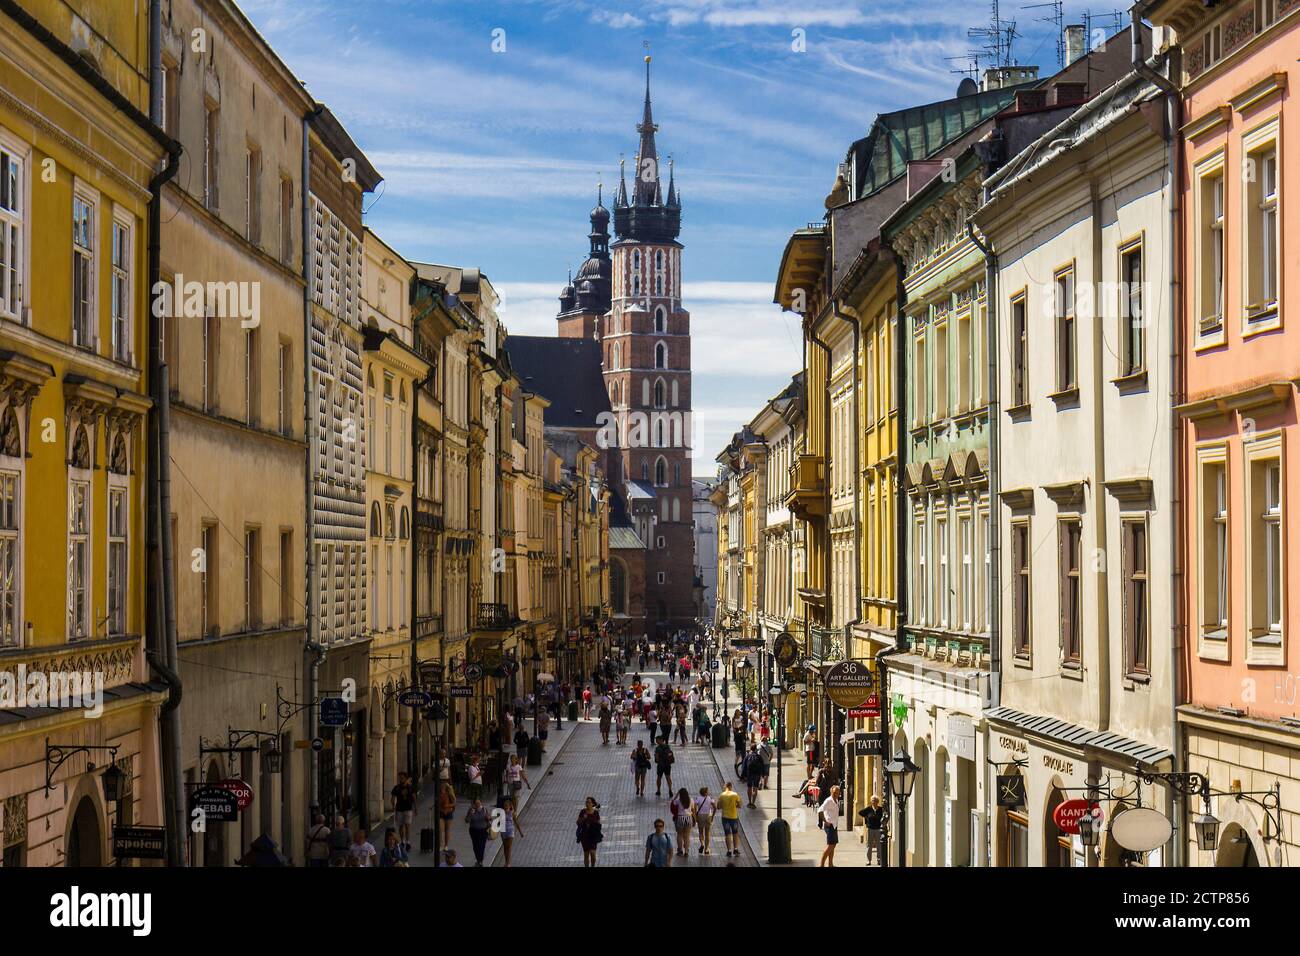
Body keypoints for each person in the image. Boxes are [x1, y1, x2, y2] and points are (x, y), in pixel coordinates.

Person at [390, 771, 416, 850]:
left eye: (402, 778)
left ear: (406, 778)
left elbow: (414, 798)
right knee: (401, 826)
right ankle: (402, 841)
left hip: (408, 809)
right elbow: (393, 797)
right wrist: (393, 805)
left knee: (407, 826)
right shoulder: (397, 788)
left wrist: (416, 808)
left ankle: (408, 842)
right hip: (399, 809)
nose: (401, 779)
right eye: (400, 778)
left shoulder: (410, 787)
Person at [717, 782, 742, 858]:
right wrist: (735, 805)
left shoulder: (722, 795)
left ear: (726, 787)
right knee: (735, 833)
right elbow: (740, 805)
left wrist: (724, 805)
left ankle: (729, 851)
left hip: (725, 818)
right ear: (731, 786)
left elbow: (718, 806)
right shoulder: (735, 795)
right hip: (734, 817)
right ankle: (736, 849)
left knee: (727, 834)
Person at [819, 785, 842, 867]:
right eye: (834, 792)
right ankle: (821, 864)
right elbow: (820, 810)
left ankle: (830, 864)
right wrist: (825, 821)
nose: (836, 794)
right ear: (831, 792)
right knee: (830, 845)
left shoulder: (836, 800)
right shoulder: (828, 800)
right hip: (829, 825)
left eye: (837, 792)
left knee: (833, 845)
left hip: (834, 825)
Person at [860, 795, 885, 865]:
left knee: (879, 845)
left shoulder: (880, 809)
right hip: (870, 829)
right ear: (871, 802)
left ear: (878, 802)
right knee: (869, 845)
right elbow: (861, 812)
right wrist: (866, 819)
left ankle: (879, 860)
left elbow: (884, 816)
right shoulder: (869, 809)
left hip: (878, 829)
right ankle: (869, 860)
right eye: (873, 801)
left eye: (876, 801)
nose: (874, 802)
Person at [576, 797, 602, 867]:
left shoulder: (596, 812)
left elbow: (599, 824)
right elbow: (578, 823)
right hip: (585, 835)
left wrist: (595, 827)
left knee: (593, 853)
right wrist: (583, 818)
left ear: (592, 804)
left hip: (593, 835)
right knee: (586, 854)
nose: (587, 804)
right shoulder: (583, 812)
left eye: (589, 802)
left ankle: (593, 866)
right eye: (586, 802)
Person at [465, 798, 491, 867]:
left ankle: (480, 861)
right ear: (474, 804)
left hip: (483, 831)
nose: (478, 805)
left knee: (481, 846)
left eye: (479, 803)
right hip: (474, 831)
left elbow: (490, 818)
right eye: (476, 803)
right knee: (475, 846)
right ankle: (478, 859)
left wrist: (488, 818)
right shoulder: (471, 810)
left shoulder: (484, 809)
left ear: (481, 803)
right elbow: (467, 820)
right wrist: (470, 814)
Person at [499, 796, 523, 867]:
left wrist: (520, 832)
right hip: (503, 832)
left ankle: (508, 863)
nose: (505, 807)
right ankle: (506, 862)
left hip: (510, 831)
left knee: (509, 847)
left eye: (507, 806)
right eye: (504, 806)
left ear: (510, 806)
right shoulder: (501, 813)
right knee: (505, 847)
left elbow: (516, 823)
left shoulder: (512, 813)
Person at [670, 787, 693, 857]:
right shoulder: (691, 800)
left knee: (679, 835)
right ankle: (686, 851)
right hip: (689, 818)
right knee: (687, 835)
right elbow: (693, 809)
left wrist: (676, 795)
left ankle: (680, 850)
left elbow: (672, 803)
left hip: (680, 818)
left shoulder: (678, 801)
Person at [694, 787, 716, 855]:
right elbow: (715, 807)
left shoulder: (698, 798)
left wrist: (695, 816)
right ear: (706, 792)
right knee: (707, 833)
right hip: (708, 816)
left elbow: (694, 807)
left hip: (700, 815)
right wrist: (713, 816)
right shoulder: (710, 798)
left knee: (700, 832)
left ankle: (702, 844)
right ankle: (706, 849)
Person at [742, 743, 764, 808]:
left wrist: (742, 776)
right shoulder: (759, 757)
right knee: (755, 788)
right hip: (757, 774)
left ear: (750, 749)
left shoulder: (747, 756)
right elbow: (762, 766)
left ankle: (749, 802)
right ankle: (753, 802)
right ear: (756, 749)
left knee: (749, 788)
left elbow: (744, 767)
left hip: (749, 774)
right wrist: (762, 776)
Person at [437, 779, 456, 845]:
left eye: (443, 785)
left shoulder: (449, 793)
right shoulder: (438, 794)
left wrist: (447, 805)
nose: (442, 786)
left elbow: (454, 803)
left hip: (448, 812)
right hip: (441, 812)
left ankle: (446, 845)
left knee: (447, 830)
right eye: (441, 785)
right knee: (440, 829)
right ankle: (440, 844)